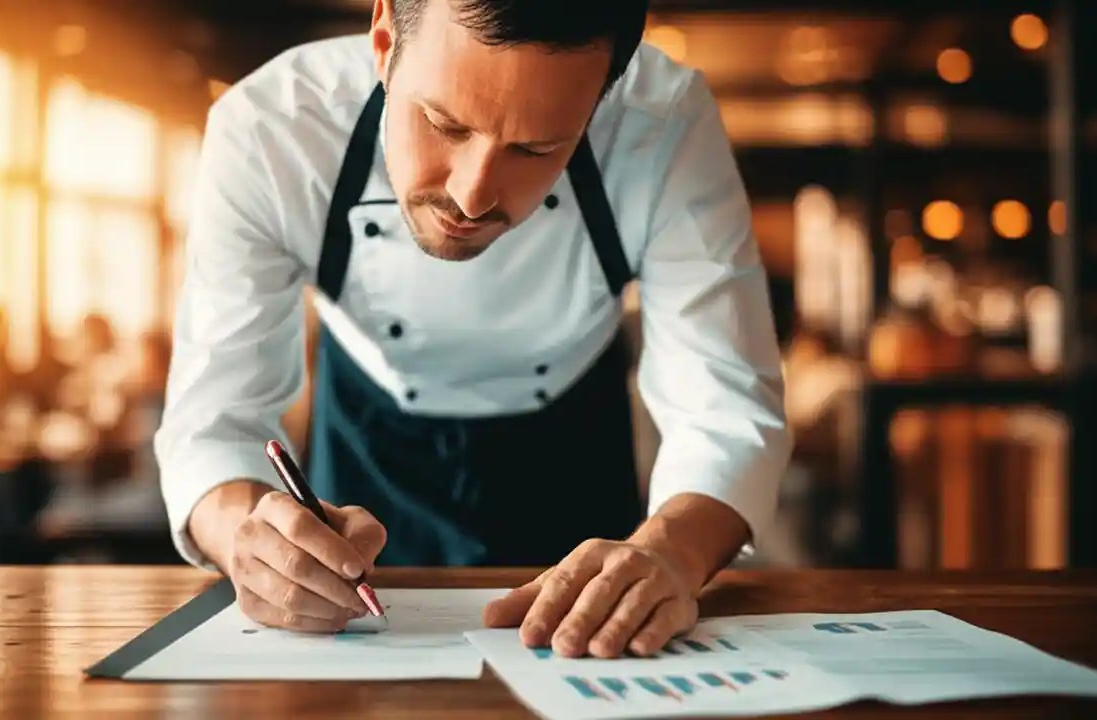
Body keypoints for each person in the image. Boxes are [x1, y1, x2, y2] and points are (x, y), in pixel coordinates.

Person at [156, 0, 791, 659]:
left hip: (571, 458)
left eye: (537, 147)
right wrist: (249, 540)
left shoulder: (664, 123)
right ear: (383, 40)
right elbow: (213, 425)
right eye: (443, 123)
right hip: (368, 451)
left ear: (605, 98)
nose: (473, 195)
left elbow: (727, 414)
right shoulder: (273, 128)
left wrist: (672, 555)